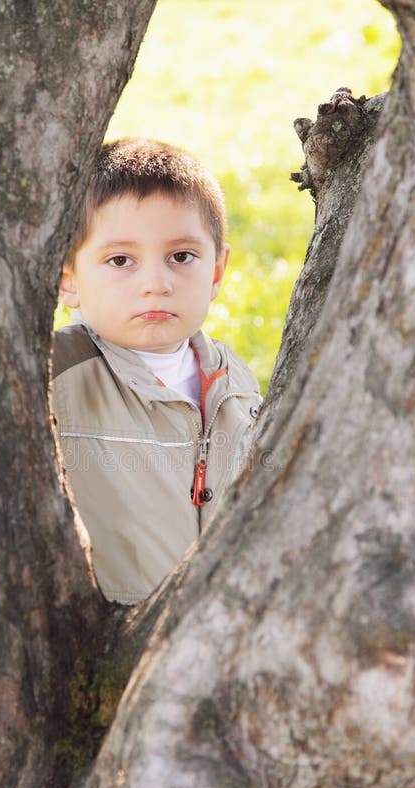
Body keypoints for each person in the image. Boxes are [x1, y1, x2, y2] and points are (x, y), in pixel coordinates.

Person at [51, 138, 261, 605]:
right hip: (114, 629)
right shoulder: (57, 373)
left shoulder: (234, 379)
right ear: (68, 278)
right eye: (120, 260)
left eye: (181, 257)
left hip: (224, 621)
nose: (156, 284)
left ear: (216, 271)